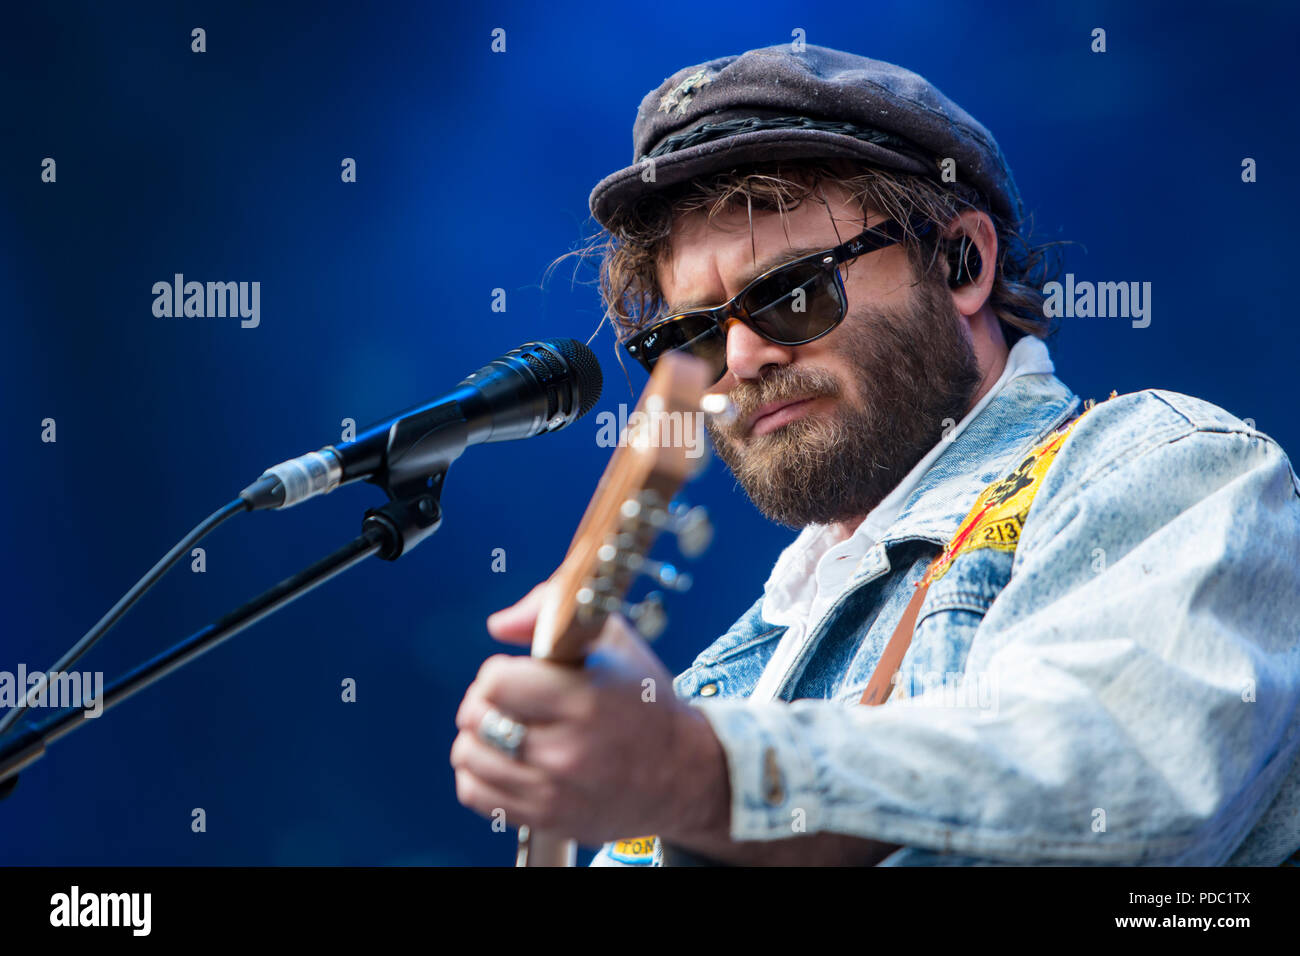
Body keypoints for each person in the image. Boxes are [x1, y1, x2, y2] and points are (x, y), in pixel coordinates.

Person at [450, 43, 1300, 866]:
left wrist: (700, 772)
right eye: (697, 334)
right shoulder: (723, 681)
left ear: (961, 261)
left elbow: (1124, 789)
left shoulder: (1163, 465)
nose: (740, 360)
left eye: (790, 292)